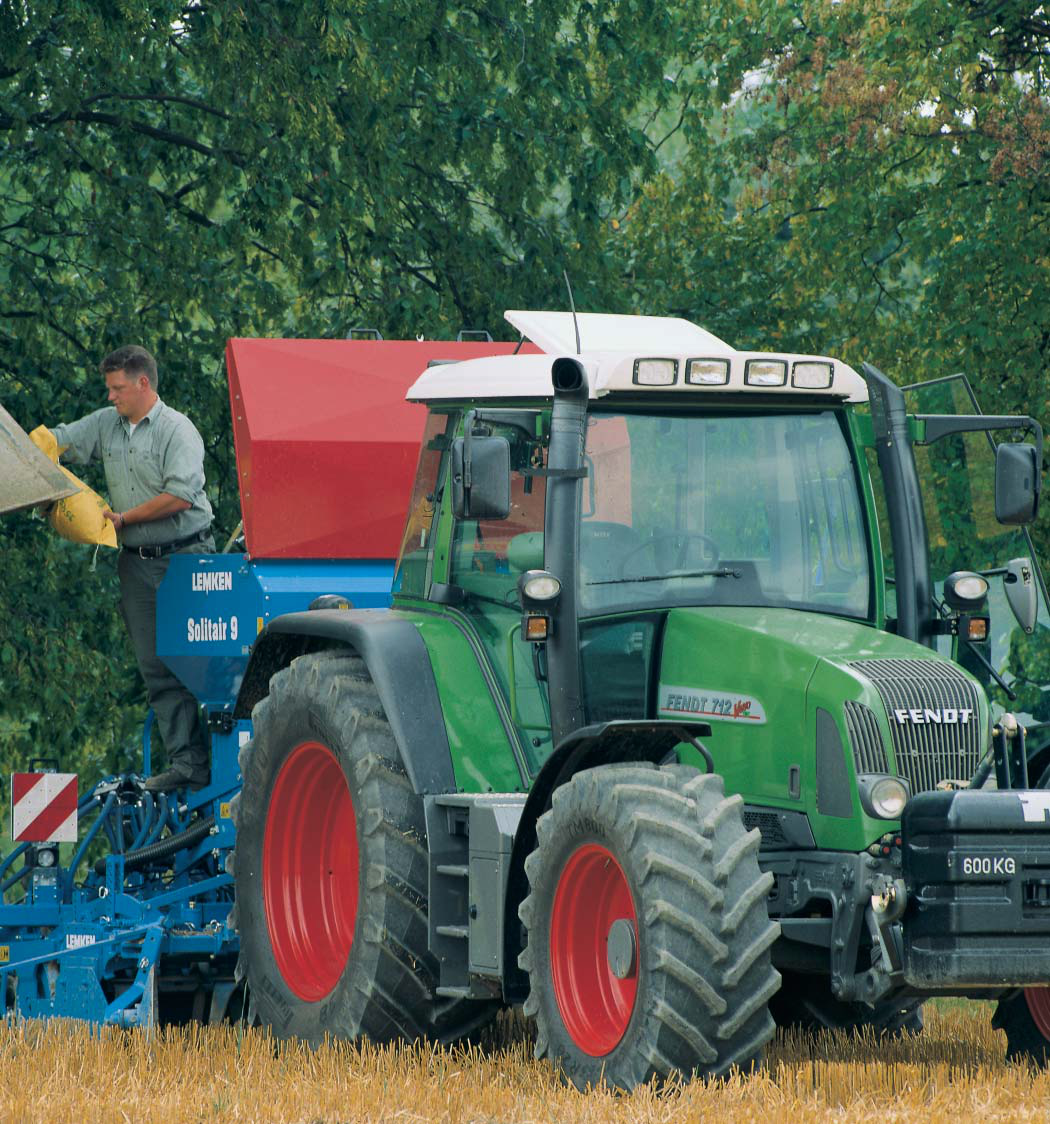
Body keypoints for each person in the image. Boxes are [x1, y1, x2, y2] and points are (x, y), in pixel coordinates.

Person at [49, 345, 215, 792]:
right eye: (109, 388)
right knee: (156, 665)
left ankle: (229, 760)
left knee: (202, 662)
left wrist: (123, 520)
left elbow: (180, 497)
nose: (111, 396)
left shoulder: (178, 430)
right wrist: (37, 446)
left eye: (118, 387)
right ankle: (188, 766)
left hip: (187, 558)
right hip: (136, 566)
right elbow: (65, 438)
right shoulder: (108, 424)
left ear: (144, 383)